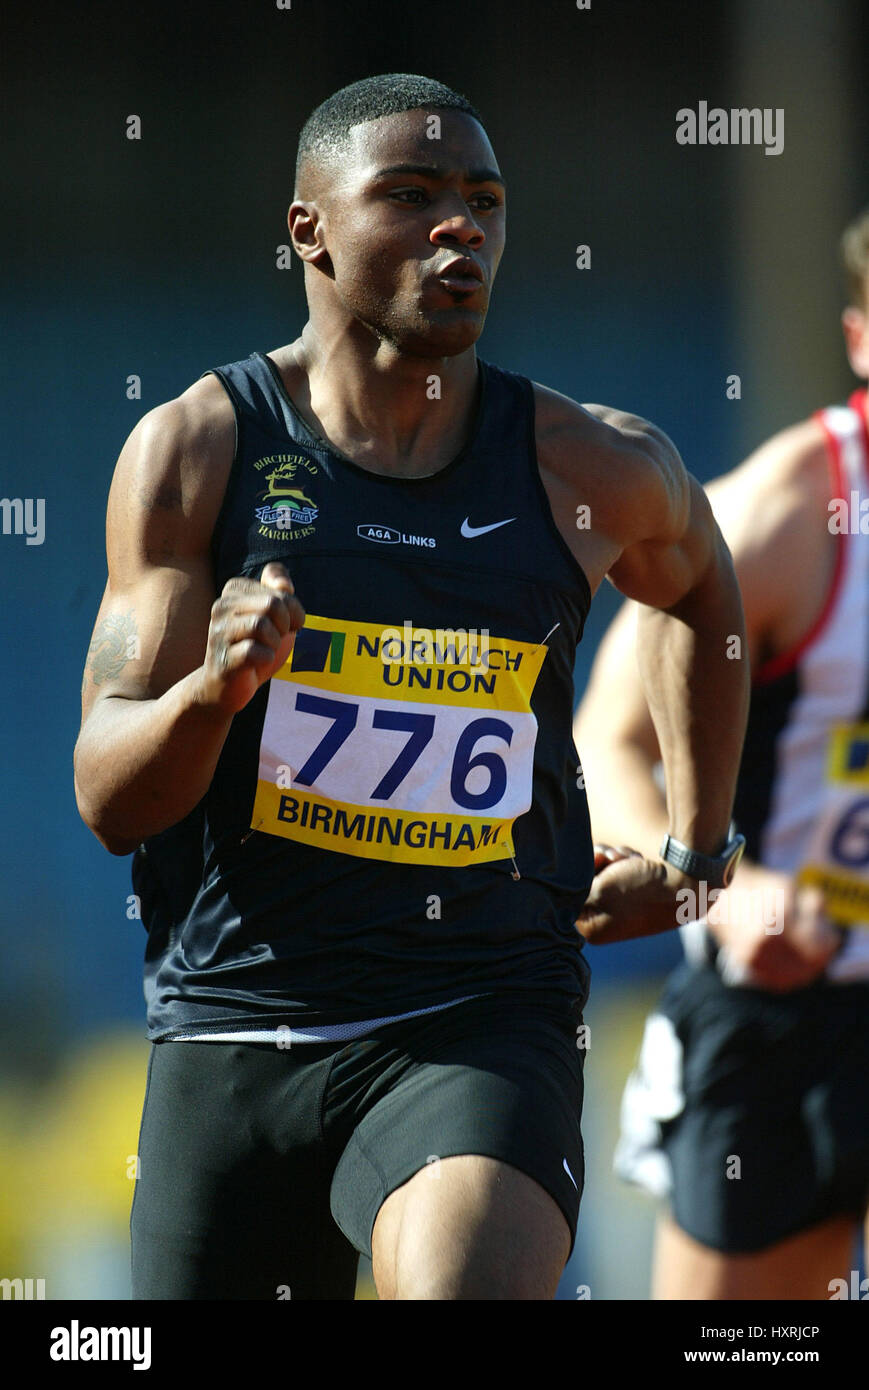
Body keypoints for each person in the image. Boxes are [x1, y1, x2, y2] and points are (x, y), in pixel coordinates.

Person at [74, 72, 748, 1301]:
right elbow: (112, 797)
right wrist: (210, 696)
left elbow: (699, 586)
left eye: (483, 201)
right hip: (236, 1025)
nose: (461, 229)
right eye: (413, 195)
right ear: (309, 230)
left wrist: (698, 847)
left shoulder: (582, 464)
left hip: (482, 1014)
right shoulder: (198, 452)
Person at [573, 208, 869, 1300]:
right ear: (857, 341)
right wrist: (723, 889)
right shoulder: (795, 513)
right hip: (786, 1016)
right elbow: (603, 728)